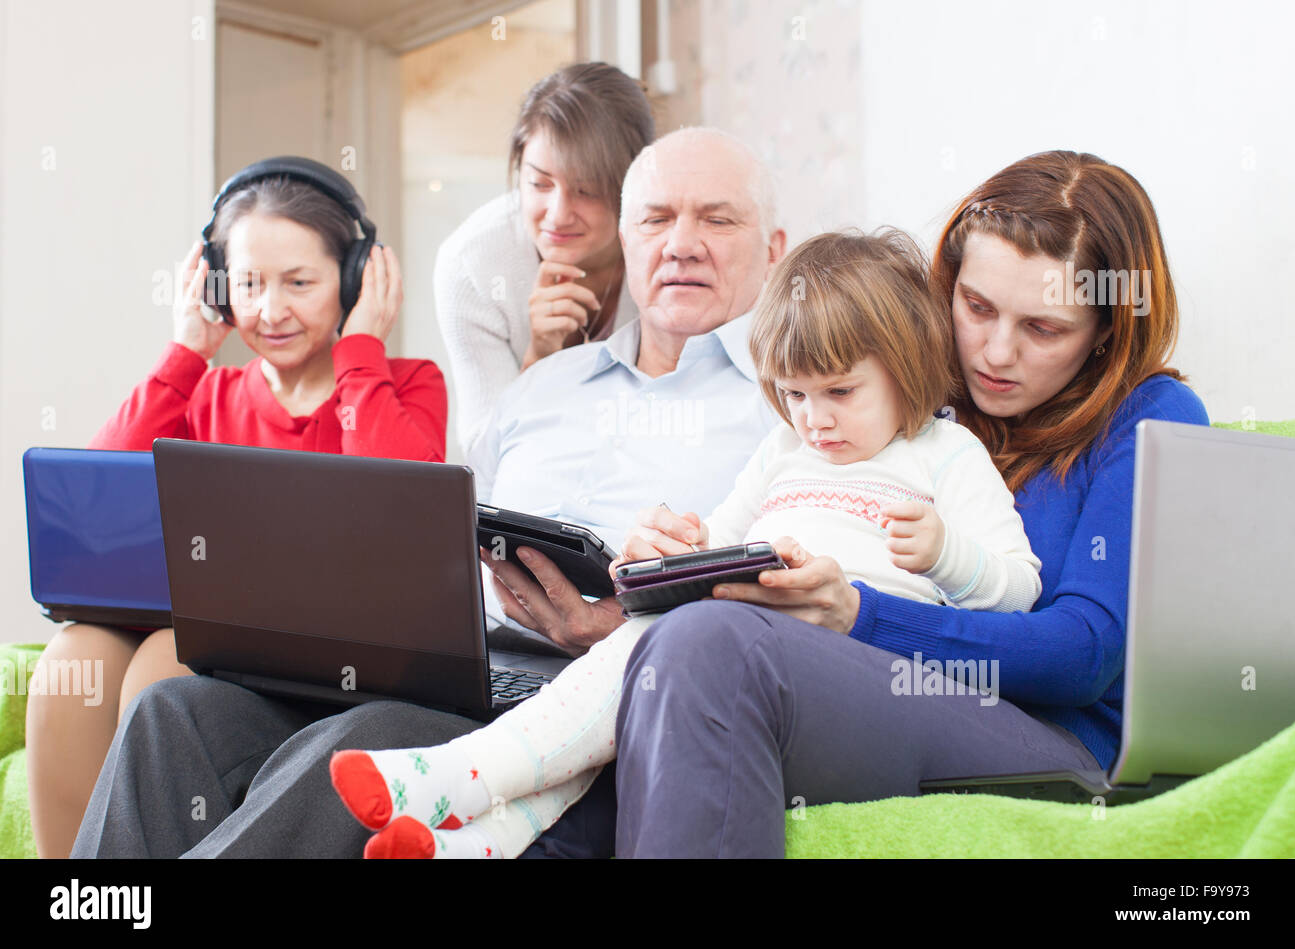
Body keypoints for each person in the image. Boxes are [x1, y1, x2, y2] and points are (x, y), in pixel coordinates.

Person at [70, 127, 788, 858]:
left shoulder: (796, 406)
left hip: (574, 699)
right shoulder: (542, 386)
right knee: (172, 712)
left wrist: (615, 632)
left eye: (718, 219)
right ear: (629, 245)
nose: (682, 243)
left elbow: (812, 591)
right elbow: (435, 524)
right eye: (658, 220)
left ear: (775, 248)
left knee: (365, 743)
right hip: (446, 663)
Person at [329, 227, 1050, 859]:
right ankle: (482, 838)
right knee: (636, 667)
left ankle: (460, 772)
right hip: (738, 644)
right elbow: (722, 539)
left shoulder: (944, 453)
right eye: (794, 394)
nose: (814, 419)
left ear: (908, 366)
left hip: (846, 672)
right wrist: (675, 549)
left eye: (838, 392)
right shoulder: (785, 450)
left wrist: (947, 555)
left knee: (660, 654)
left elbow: (1020, 588)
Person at [612, 150, 1212, 857]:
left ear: (1107, 328)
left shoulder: (1151, 415)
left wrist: (861, 614)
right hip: (885, 696)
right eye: (977, 306)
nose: (994, 352)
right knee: (660, 672)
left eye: (1043, 328)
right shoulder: (902, 393)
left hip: (1050, 743)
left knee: (709, 647)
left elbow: (1082, 654)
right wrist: (677, 561)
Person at [30, 158, 448, 859]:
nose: (270, 309)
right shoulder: (206, 392)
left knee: (165, 661)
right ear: (218, 288)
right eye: (249, 284)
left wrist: (361, 354)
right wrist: (186, 352)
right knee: (75, 659)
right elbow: (93, 510)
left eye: (301, 283)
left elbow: (406, 511)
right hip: (199, 626)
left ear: (353, 280)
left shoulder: (403, 385)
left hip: (320, 666)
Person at [435, 62, 655, 453]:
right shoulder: (473, 264)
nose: (557, 214)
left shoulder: (665, 250)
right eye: (538, 183)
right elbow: (484, 458)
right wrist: (539, 357)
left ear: (633, 184)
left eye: (586, 190)